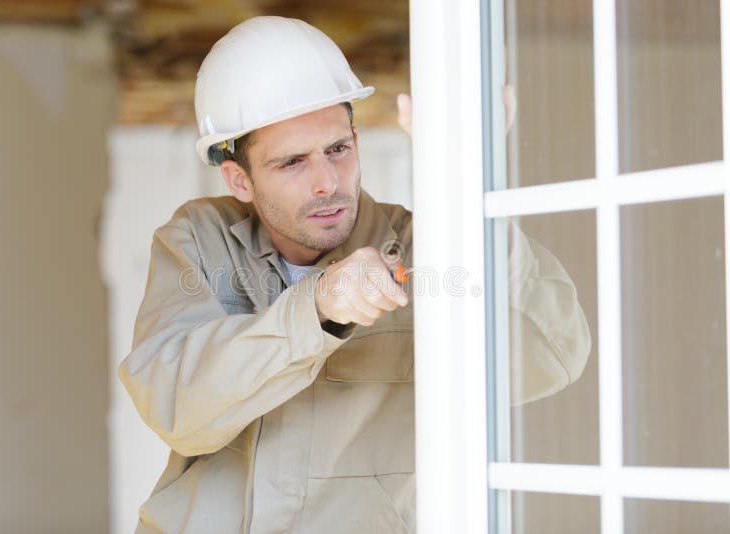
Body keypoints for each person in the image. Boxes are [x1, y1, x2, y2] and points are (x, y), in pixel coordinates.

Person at [119, 15, 591, 533]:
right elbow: (178, 411)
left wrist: (472, 189)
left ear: (356, 141)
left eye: (337, 150)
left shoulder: (423, 247)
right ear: (239, 179)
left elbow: (555, 358)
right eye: (292, 163)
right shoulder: (200, 238)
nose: (326, 182)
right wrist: (318, 307)